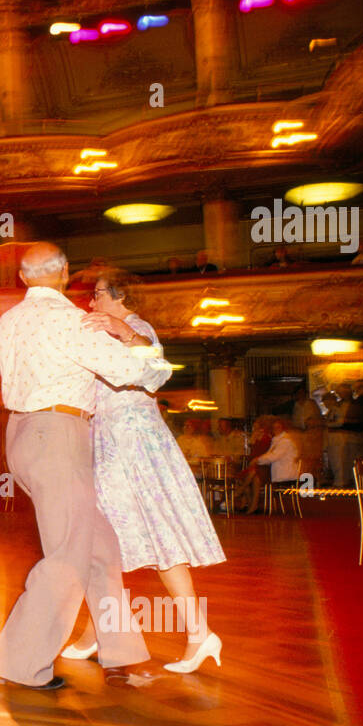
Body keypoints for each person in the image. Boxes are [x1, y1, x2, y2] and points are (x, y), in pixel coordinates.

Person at [0, 243, 173, 690]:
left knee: (99, 548)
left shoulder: (9, 321)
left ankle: (121, 651)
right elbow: (145, 374)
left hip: (23, 436)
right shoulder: (71, 320)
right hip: (59, 437)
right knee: (68, 555)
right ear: (65, 272)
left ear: (24, 278)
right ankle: (19, 663)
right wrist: (131, 337)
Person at [63, 268, 226, 673]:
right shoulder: (108, 329)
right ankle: (191, 633)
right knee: (123, 541)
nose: (92, 301)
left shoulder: (135, 327)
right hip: (114, 441)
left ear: (121, 296)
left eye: (98, 293)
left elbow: (155, 370)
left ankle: (190, 633)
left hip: (133, 443)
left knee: (140, 539)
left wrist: (124, 331)